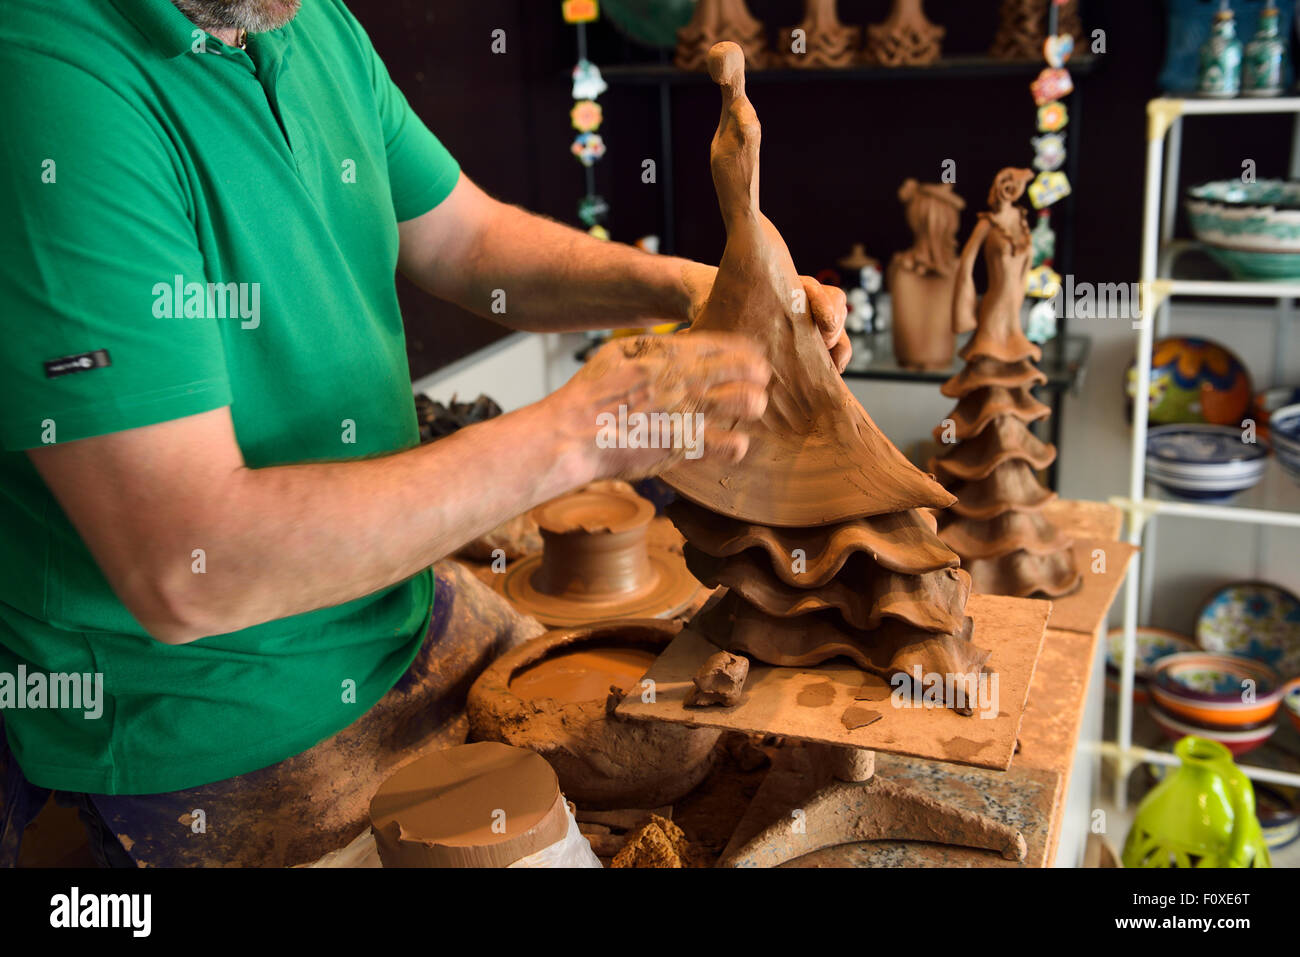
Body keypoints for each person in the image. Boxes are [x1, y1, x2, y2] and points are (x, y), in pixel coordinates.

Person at [0, 0, 849, 865]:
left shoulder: (305, 21)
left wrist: (692, 290)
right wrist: (579, 435)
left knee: (697, 764)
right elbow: (186, 568)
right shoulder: (47, 80)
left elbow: (468, 243)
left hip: (403, 605)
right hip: (217, 712)